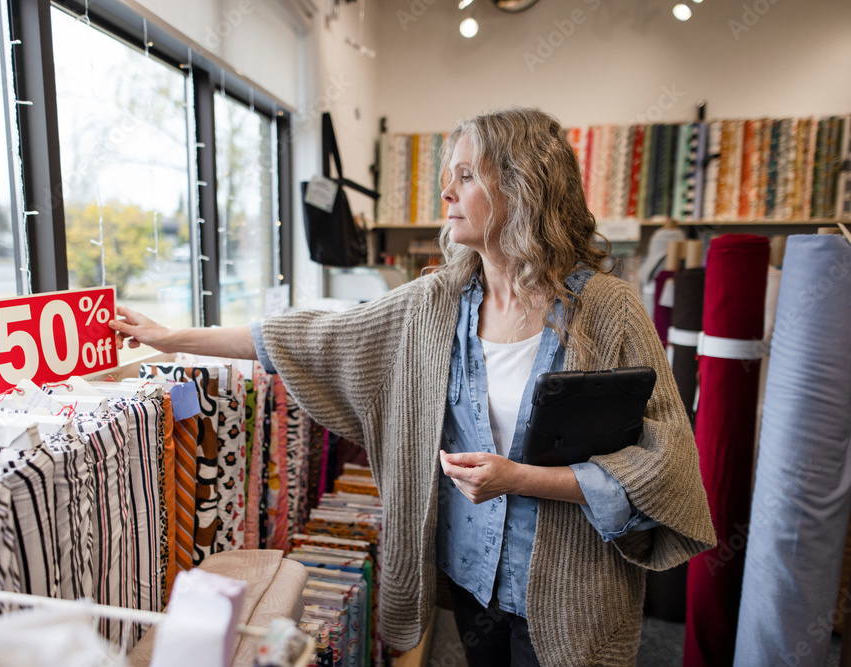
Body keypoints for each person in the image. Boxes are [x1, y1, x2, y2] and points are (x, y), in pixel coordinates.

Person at [110, 107, 715, 666]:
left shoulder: (608, 312)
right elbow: (312, 335)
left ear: (523, 186)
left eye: (467, 176)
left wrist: (520, 479)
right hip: (475, 581)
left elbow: (667, 463)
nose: (446, 193)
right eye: (449, 177)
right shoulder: (434, 304)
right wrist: (171, 336)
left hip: (574, 591)